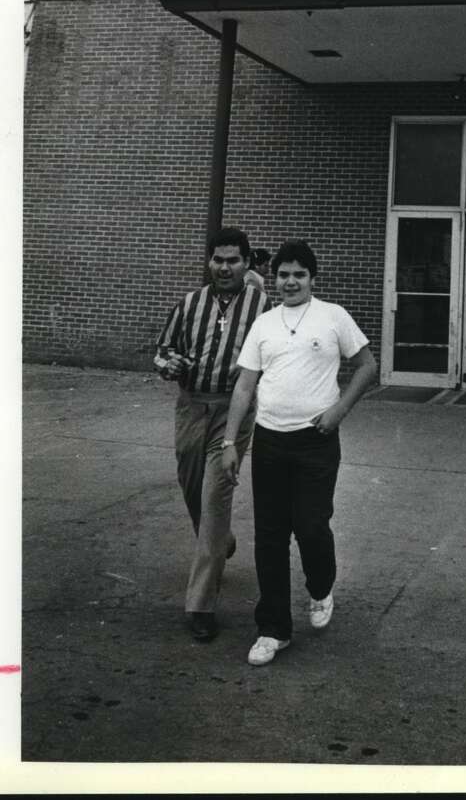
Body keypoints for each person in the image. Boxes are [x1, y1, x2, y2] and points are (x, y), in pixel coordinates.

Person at [222, 239, 378, 667]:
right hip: (270, 442)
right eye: (284, 275)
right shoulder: (265, 324)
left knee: (311, 527)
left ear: (312, 278)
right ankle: (273, 629)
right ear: (275, 279)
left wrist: (339, 410)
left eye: (299, 274)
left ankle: (320, 586)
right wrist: (230, 442)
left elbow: (367, 365)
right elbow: (245, 385)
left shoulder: (333, 317)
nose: (290, 282)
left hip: (316, 441)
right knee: (269, 538)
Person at [154, 226, 268, 642]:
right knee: (191, 483)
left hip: (234, 411)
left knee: (216, 495)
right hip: (191, 404)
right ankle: (222, 541)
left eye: (233, 260)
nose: (224, 268)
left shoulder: (263, 307)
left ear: (246, 262)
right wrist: (169, 364)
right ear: (209, 262)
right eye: (218, 260)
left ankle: (200, 604)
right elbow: (163, 349)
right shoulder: (189, 304)